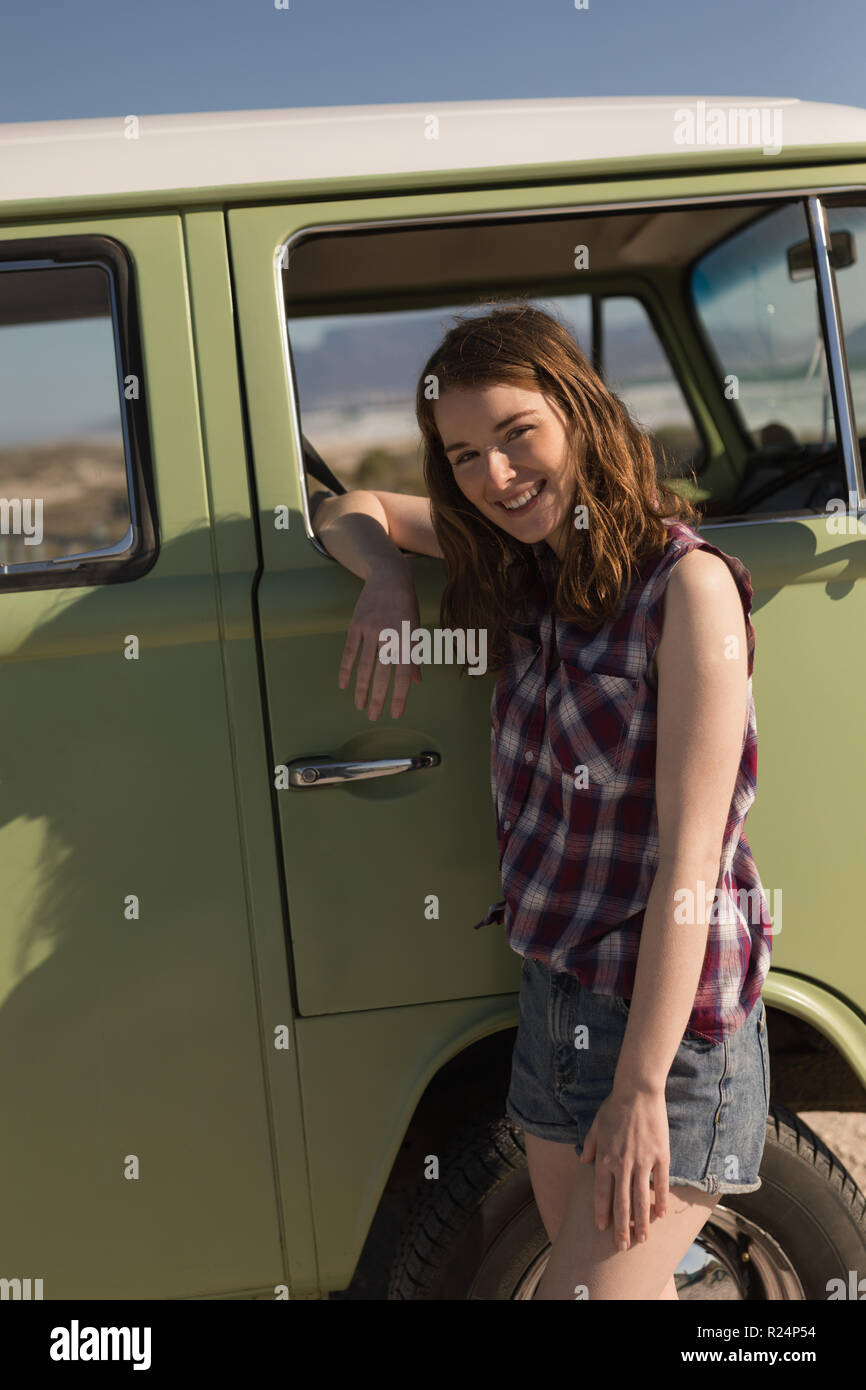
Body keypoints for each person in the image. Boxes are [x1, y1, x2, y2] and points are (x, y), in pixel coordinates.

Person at [312, 301, 773, 1301]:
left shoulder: (684, 588)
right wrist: (386, 576)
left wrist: (643, 1085)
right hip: (554, 995)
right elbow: (349, 508)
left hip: (670, 1021)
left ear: (579, 412)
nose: (495, 476)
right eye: (464, 454)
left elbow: (690, 865)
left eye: (518, 434)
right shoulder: (521, 571)